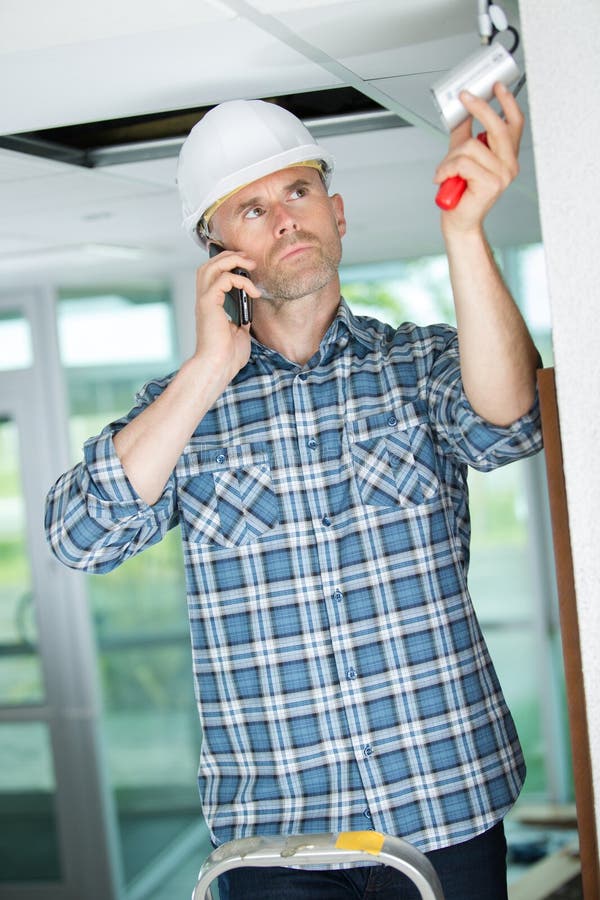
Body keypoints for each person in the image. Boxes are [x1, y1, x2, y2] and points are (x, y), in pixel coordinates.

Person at [45, 85, 542, 900]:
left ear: (337, 213)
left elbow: (511, 423)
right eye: (250, 208)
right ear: (218, 251)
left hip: (442, 809)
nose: (284, 218)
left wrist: (463, 228)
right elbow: (79, 536)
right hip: (276, 841)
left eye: (298, 191)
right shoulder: (184, 411)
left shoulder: (418, 364)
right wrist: (210, 369)